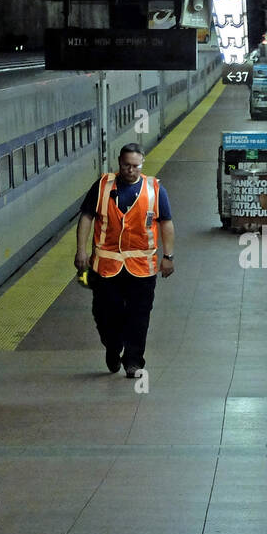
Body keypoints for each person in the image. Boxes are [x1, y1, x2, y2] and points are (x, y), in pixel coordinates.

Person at [73, 143, 175, 378]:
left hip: (142, 268)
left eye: (135, 166)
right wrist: (81, 251)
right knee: (104, 313)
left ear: (143, 164)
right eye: (126, 165)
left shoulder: (155, 189)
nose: (130, 170)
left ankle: (133, 362)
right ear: (119, 163)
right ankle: (112, 346)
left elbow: (166, 222)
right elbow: (87, 217)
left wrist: (168, 256)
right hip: (106, 267)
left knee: (139, 316)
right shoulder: (102, 186)